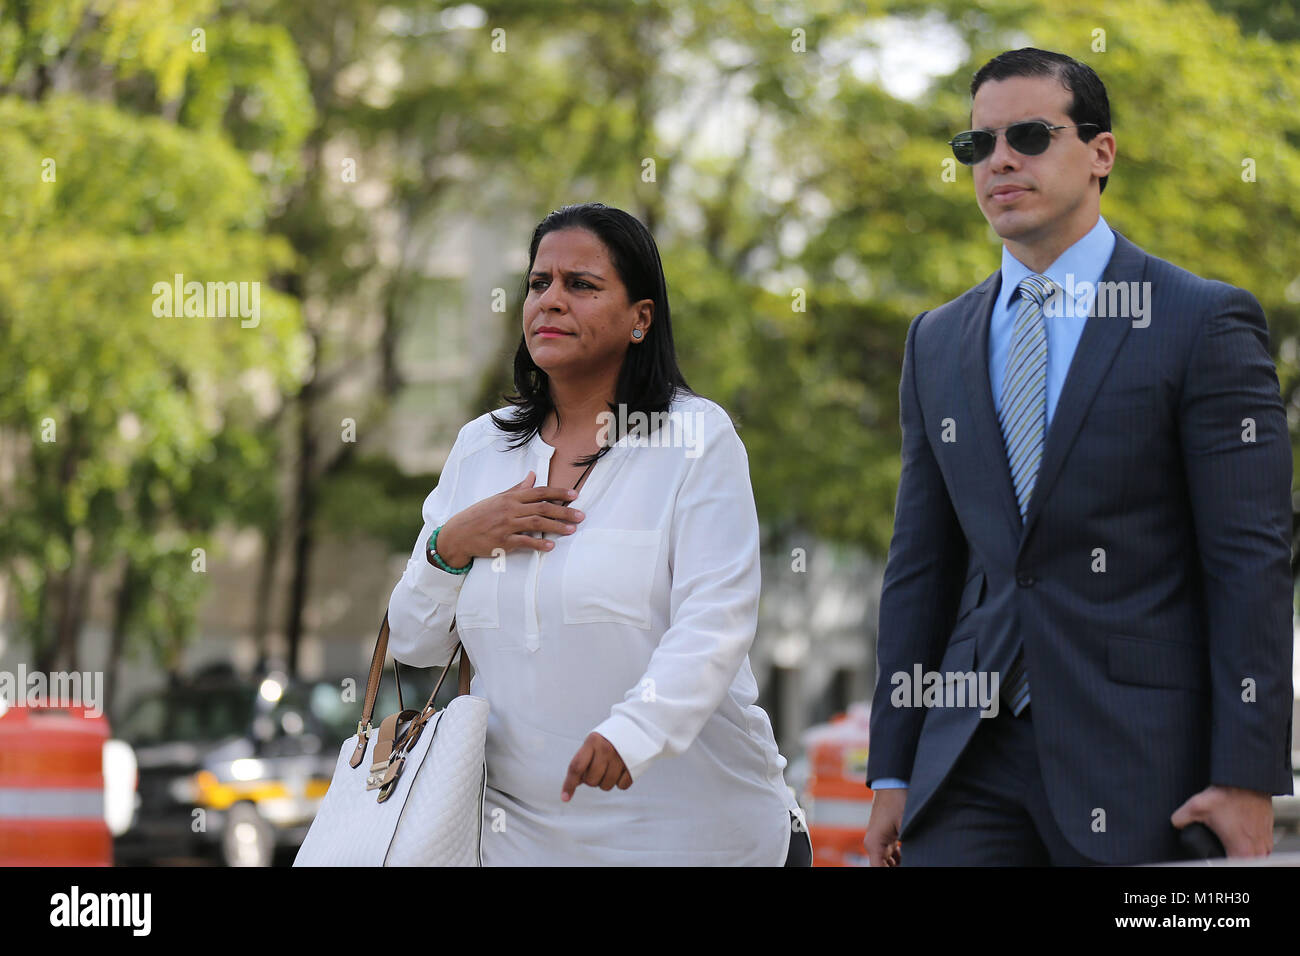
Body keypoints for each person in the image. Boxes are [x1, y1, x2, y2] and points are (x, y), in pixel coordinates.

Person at [864, 48, 1293, 866]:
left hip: (1145, 766)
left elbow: (1250, 562)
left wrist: (1247, 776)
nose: (1000, 160)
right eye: (977, 145)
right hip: (966, 765)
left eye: (1029, 134)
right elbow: (920, 566)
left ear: (1102, 153)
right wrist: (892, 766)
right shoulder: (937, 341)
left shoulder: (1202, 322)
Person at [386, 201, 810, 865]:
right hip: (521, 844)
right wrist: (454, 543)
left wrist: (634, 732)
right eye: (538, 283)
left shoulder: (694, 439)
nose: (550, 301)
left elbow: (715, 623)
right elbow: (413, 639)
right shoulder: (480, 449)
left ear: (641, 318)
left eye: (581, 285)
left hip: (698, 840)